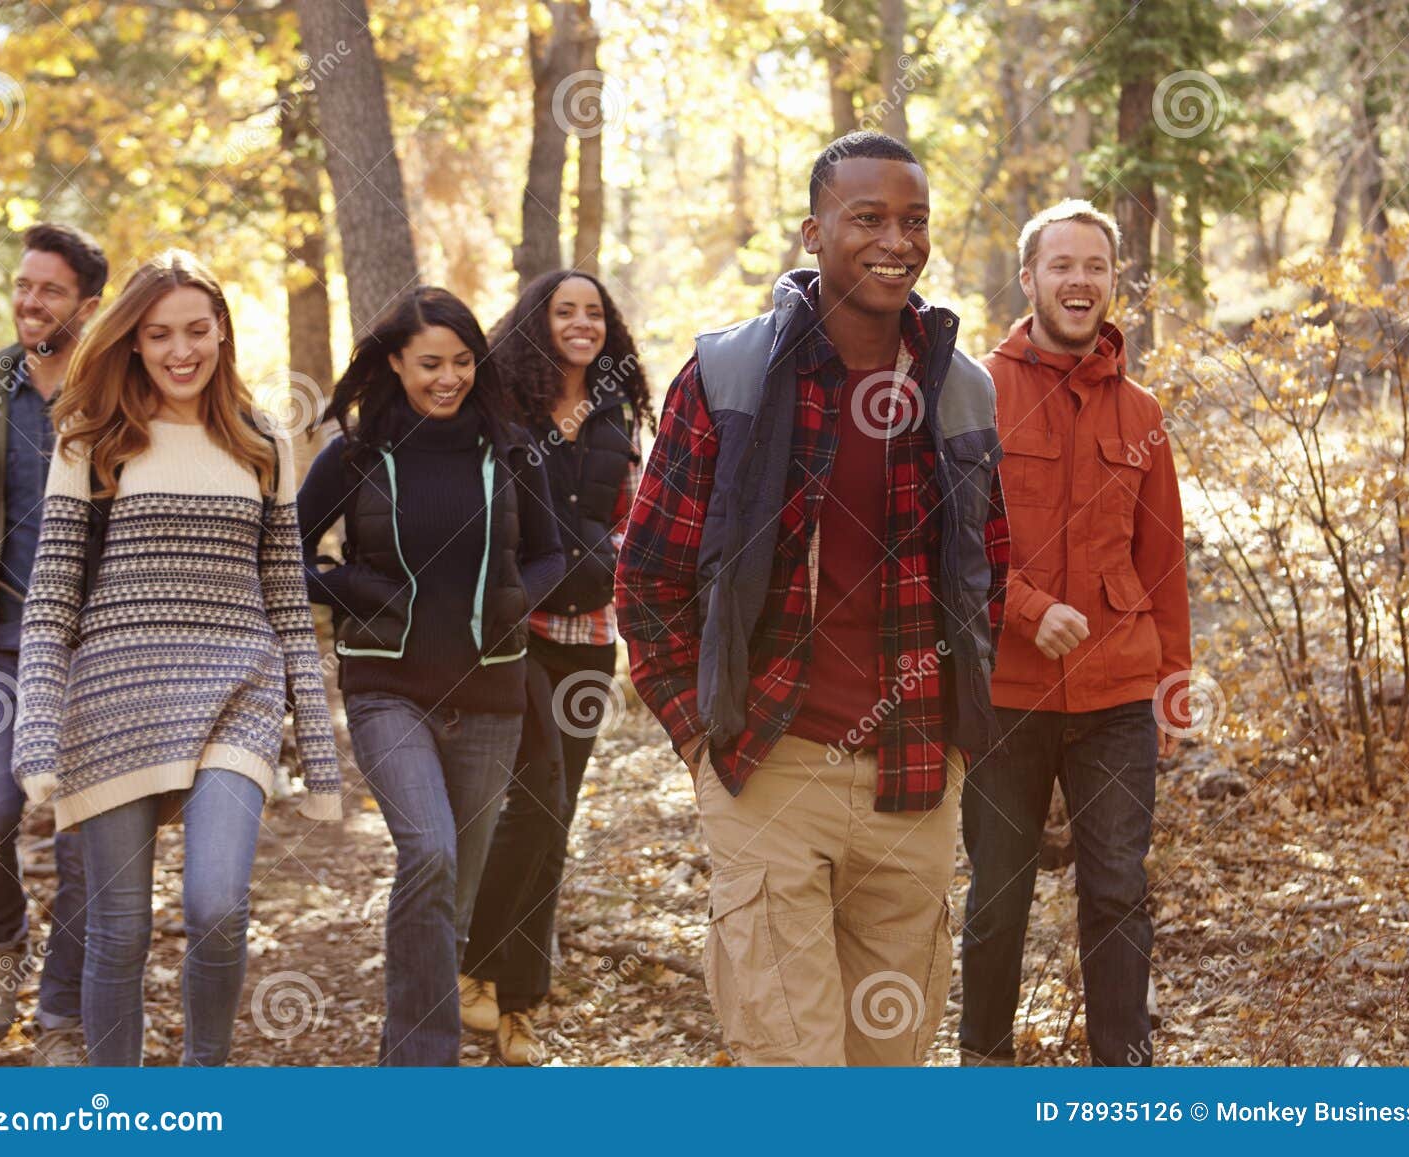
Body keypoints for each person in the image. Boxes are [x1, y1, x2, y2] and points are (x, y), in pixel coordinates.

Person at [616, 131, 1011, 1066]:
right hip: (768, 764)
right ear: (813, 231)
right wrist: (698, 738)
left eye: (914, 221)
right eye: (867, 217)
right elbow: (649, 576)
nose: (896, 239)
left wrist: (957, 741)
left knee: (890, 1069)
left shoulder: (961, 390)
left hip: (913, 780)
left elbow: (986, 572)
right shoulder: (729, 376)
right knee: (792, 1067)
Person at [10, 249, 342, 1066]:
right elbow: (52, 600)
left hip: (240, 691)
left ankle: (203, 1083)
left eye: (197, 330)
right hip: (117, 698)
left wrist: (323, 755)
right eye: (158, 335)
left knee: (219, 904)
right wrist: (37, 733)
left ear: (223, 332)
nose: (180, 350)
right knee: (117, 929)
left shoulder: (264, 442)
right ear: (132, 341)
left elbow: (285, 601)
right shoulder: (92, 440)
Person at [299, 286, 564, 1066]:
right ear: (393, 363)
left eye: (460, 362)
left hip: (491, 693)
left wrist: (518, 600)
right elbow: (284, 551)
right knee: (431, 854)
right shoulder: (353, 454)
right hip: (389, 688)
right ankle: (425, 1068)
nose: (447, 378)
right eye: (428, 365)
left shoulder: (510, 448)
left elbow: (553, 552)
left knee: (453, 891)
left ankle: (405, 1056)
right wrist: (354, 588)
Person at [959, 199, 1192, 1067]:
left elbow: (1164, 565)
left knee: (1118, 892)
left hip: (1119, 696)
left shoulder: (1141, 411)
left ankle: (1121, 1085)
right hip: (1006, 695)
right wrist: (1026, 609)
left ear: (1112, 281)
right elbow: (952, 546)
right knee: (996, 897)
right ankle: (983, 1068)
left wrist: (1173, 690)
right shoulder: (976, 390)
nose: (1080, 281)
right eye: (1062, 265)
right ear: (1029, 280)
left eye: (1095, 266)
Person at [458, 270, 650, 1065]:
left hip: (588, 634)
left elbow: (631, 517)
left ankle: (518, 1006)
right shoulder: (505, 409)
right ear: (536, 323)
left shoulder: (616, 411)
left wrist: (609, 562)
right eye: (565, 310)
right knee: (534, 799)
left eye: (594, 312)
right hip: (517, 633)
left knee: (555, 816)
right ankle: (470, 961)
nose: (582, 323)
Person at [0, 223, 106, 1064]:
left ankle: (61, 1017)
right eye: (21, 285)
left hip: (96, 650)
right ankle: (3, 944)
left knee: (83, 840)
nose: (28, 302)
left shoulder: (117, 389)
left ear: (87, 303)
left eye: (48, 290)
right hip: (4, 644)